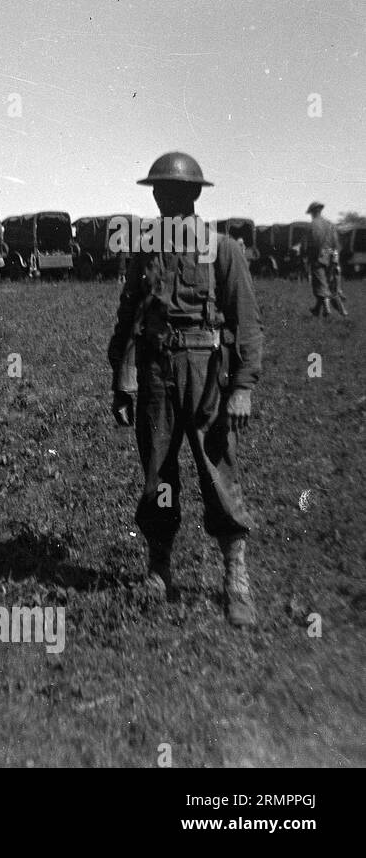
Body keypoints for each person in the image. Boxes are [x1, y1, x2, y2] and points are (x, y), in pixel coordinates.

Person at [108, 152, 264, 628]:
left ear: (194, 196)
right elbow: (128, 316)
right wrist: (121, 377)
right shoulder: (143, 250)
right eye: (159, 191)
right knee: (158, 473)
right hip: (155, 372)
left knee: (218, 471)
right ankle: (159, 570)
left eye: (175, 192)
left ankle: (235, 578)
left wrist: (242, 387)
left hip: (204, 372)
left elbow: (248, 324)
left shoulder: (224, 248)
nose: (164, 198)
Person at [305, 202, 347, 317]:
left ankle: (327, 310)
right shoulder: (330, 224)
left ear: (313, 212)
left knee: (320, 285)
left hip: (317, 257)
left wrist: (308, 259)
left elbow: (311, 244)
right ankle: (316, 310)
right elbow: (336, 244)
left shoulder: (312, 225)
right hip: (330, 257)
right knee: (326, 284)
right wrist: (334, 259)